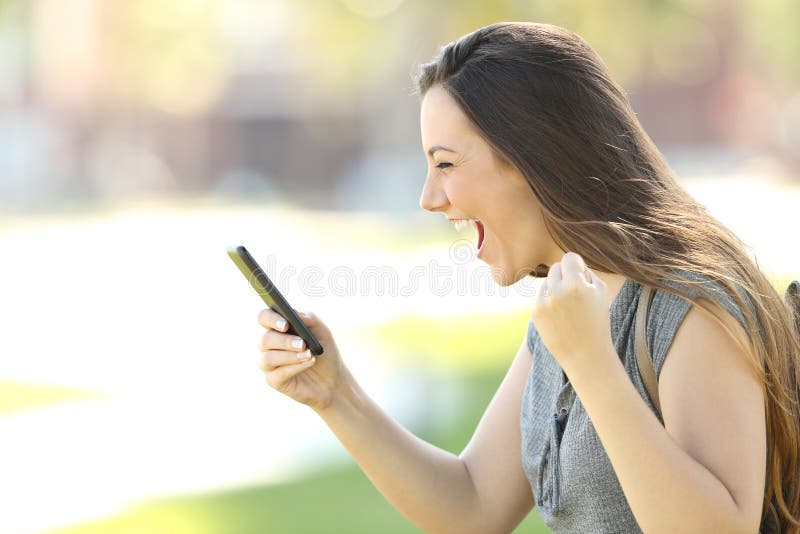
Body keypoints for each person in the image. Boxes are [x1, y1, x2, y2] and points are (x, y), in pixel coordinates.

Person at [255, 22, 800, 533]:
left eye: (445, 164)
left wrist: (591, 364)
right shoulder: (568, 311)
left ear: (531, 157)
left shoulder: (690, 305)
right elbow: (473, 503)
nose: (429, 198)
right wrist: (337, 396)